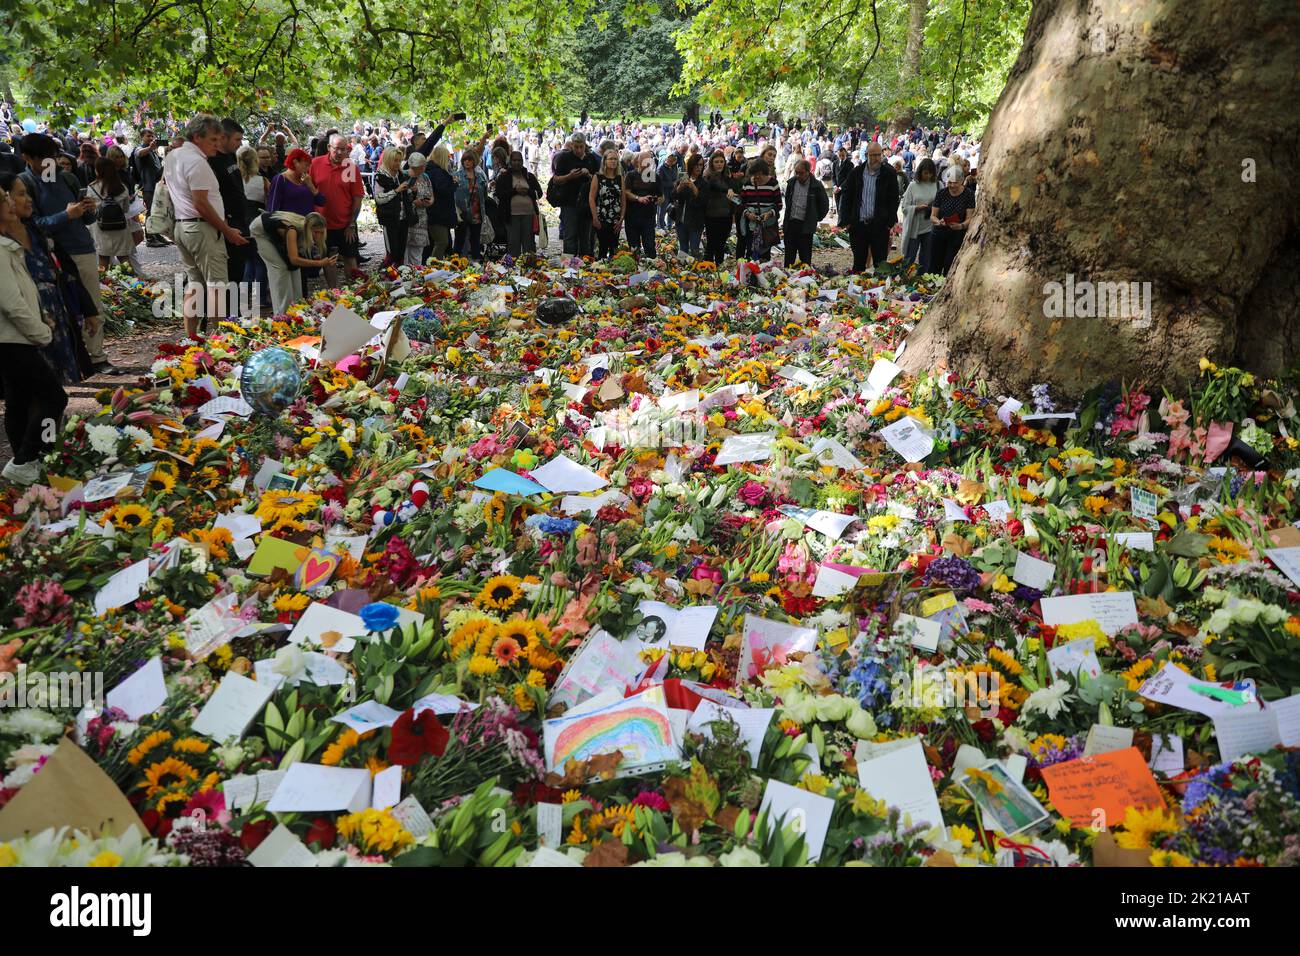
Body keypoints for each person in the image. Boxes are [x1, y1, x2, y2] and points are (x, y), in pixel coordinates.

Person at [17, 132, 116, 373]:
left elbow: (87, 219)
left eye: (53, 156)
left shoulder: (69, 179)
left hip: (81, 248)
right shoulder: (24, 183)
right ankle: (71, 358)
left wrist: (89, 209)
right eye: (43, 159)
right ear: (27, 158)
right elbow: (32, 224)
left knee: (92, 304)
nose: (49, 163)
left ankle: (97, 357)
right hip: (50, 256)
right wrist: (66, 215)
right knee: (59, 309)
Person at [0, 185, 67, 486]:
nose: (12, 203)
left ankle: (32, 462)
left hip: (17, 335)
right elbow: (11, 302)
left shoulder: (9, 244)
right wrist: (39, 331)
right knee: (54, 396)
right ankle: (26, 459)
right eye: (5, 199)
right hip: (13, 338)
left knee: (19, 398)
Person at [0, 172, 90, 386]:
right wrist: (38, 330)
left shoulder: (37, 232)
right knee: (37, 393)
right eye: (19, 194)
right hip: (25, 326)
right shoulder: (4, 245)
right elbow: (11, 303)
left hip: (55, 315)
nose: (28, 199)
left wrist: (89, 310)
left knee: (62, 387)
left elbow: (67, 272)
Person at [163, 114, 248, 339]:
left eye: (219, 139)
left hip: (184, 227)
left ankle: (191, 336)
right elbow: (200, 203)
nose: (217, 144)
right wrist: (227, 231)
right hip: (201, 229)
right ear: (198, 137)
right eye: (213, 139)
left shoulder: (174, 155)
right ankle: (221, 342)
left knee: (195, 284)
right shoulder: (197, 161)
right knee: (217, 286)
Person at [250, 210, 336, 315]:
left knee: (295, 269)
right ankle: (282, 313)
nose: (318, 236)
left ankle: (297, 308)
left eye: (321, 232)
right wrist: (319, 263)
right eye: (315, 232)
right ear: (308, 229)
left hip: (277, 230)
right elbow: (294, 259)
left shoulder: (302, 230)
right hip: (260, 231)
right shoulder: (292, 230)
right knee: (280, 267)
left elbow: (297, 263)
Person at [309, 134, 364, 285]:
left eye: (344, 149)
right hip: (322, 224)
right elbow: (309, 189)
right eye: (336, 149)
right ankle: (334, 292)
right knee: (328, 259)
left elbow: (357, 197)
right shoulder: (315, 164)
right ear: (329, 148)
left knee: (350, 257)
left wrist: (351, 224)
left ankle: (355, 291)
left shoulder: (350, 167)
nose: (340, 153)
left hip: (346, 223)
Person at [837, 140, 898, 273]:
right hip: (859, 225)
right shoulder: (857, 173)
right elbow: (846, 195)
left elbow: (894, 199)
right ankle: (857, 290)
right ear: (866, 155)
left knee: (880, 265)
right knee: (859, 263)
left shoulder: (888, 173)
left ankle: (878, 291)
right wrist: (846, 220)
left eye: (878, 155)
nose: (876, 158)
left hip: (880, 225)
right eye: (873, 155)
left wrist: (890, 221)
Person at [86, 157, 141, 273]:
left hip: (100, 227)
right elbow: (126, 210)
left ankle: (105, 288)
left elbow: (90, 210)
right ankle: (133, 286)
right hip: (119, 226)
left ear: (98, 170)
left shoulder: (92, 188)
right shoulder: (122, 187)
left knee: (103, 259)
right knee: (124, 259)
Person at [551, 132, 598, 256]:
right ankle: (569, 264)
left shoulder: (591, 159)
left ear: (585, 145)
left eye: (581, 147)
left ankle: (586, 262)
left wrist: (588, 174)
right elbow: (556, 179)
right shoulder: (564, 158)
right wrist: (569, 176)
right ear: (571, 145)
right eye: (575, 147)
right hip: (569, 202)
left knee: (586, 237)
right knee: (570, 236)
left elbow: (599, 180)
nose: (578, 150)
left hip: (586, 203)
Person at [238, 145, 271, 308]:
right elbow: (269, 202)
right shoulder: (262, 181)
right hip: (257, 222)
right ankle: (261, 298)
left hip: (241, 224)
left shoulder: (237, 180)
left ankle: (244, 299)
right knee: (260, 263)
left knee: (248, 262)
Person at [494, 150, 542, 258]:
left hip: (529, 214)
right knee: (513, 243)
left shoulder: (529, 176)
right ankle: (514, 267)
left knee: (528, 243)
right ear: (510, 161)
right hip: (511, 215)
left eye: (519, 160)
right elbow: (499, 194)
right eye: (514, 160)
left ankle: (529, 266)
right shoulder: (504, 177)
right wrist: (515, 191)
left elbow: (539, 193)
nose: (517, 163)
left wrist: (528, 192)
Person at [781, 159, 829, 268]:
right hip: (791, 224)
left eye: (801, 173)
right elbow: (788, 201)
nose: (798, 175)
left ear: (808, 171)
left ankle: (805, 279)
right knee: (789, 257)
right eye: (796, 172)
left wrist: (814, 218)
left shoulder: (816, 185)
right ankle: (786, 279)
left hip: (806, 226)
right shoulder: (792, 183)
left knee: (805, 258)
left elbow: (824, 205)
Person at [928, 164, 974, 275]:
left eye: (955, 183)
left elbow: (970, 218)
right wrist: (938, 222)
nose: (952, 185)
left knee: (950, 264)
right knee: (934, 264)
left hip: (957, 235)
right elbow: (933, 216)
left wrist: (961, 225)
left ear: (961, 181)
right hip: (939, 233)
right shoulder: (941, 193)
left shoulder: (968, 194)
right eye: (949, 182)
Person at [372, 146, 410, 267]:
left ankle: (400, 276)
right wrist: (396, 191)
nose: (397, 163)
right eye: (395, 160)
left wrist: (409, 190)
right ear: (388, 160)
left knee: (401, 252)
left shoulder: (400, 174)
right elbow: (378, 198)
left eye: (399, 160)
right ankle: (384, 275)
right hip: (389, 219)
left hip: (403, 218)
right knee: (392, 253)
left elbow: (404, 194)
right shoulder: (380, 176)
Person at [899, 157, 937, 272]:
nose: (928, 176)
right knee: (909, 256)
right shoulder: (913, 186)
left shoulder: (937, 185)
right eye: (925, 173)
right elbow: (904, 207)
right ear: (920, 172)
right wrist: (916, 208)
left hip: (929, 226)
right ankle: (905, 277)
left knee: (926, 257)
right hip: (914, 226)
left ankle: (923, 278)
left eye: (930, 173)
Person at [738, 159, 781, 261]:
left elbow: (778, 204)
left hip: (767, 225)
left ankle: (763, 273)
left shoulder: (773, 184)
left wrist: (770, 213)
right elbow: (742, 204)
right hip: (751, 225)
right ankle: (750, 273)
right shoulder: (747, 184)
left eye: (760, 174)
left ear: (765, 173)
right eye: (755, 174)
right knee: (750, 251)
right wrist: (748, 214)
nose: (757, 177)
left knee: (765, 254)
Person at [699, 151, 736, 264]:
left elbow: (734, 193)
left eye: (721, 161)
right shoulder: (707, 175)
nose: (719, 164)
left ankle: (719, 267)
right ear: (712, 163)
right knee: (711, 243)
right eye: (716, 162)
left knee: (721, 244)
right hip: (712, 215)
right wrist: (727, 189)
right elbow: (715, 186)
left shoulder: (727, 176)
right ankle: (708, 268)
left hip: (726, 214)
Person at [267, 148, 327, 216]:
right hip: (289, 225)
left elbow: (321, 202)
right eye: (306, 165)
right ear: (295, 162)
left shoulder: (305, 180)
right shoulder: (280, 179)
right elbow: (272, 208)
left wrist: (311, 186)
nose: (308, 169)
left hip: (307, 224)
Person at [589, 147, 625, 260]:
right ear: (604, 161)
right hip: (601, 217)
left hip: (616, 218)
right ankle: (601, 272)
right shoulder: (598, 177)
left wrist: (621, 218)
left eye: (615, 159)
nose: (613, 161)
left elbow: (623, 199)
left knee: (614, 248)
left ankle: (613, 275)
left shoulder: (620, 178)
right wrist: (595, 217)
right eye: (610, 159)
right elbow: (591, 198)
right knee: (602, 248)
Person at [132, 128, 166, 246]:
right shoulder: (140, 149)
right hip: (148, 186)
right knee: (151, 212)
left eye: (152, 136)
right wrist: (150, 148)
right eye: (148, 136)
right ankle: (150, 238)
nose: (151, 138)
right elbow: (139, 153)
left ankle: (156, 234)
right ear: (142, 137)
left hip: (157, 185)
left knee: (157, 212)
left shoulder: (153, 151)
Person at [453, 150, 489, 259]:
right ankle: (455, 262)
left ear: (474, 161)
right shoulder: (456, 176)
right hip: (462, 213)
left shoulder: (480, 176)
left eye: (469, 160)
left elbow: (485, 194)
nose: (467, 162)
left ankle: (476, 262)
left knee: (475, 240)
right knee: (459, 239)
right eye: (465, 160)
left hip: (476, 212)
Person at [425, 144, 458, 259]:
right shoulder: (438, 172)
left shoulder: (431, 170)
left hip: (435, 212)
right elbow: (444, 190)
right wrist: (454, 184)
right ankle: (432, 267)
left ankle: (435, 266)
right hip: (438, 213)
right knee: (442, 242)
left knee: (441, 242)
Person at [623, 151, 658, 259]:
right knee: (634, 247)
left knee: (649, 246)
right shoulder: (631, 175)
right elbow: (626, 192)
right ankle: (635, 270)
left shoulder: (652, 175)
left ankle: (651, 268)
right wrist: (639, 198)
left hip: (648, 216)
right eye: (645, 160)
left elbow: (660, 195)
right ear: (638, 162)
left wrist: (656, 199)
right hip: (632, 216)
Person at [672, 154, 706, 257]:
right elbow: (672, 197)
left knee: (694, 250)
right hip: (681, 221)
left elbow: (703, 202)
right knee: (683, 249)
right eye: (696, 165)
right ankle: (681, 271)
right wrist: (679, 187)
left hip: (695, 222)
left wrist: (693, 187)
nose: (698, 167)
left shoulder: (704, 183)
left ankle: (695, 271)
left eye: (701, 165)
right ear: (691, 165)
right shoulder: (683, 179)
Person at [403, 150, 433, 265]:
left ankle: (416, 274)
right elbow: (401, 198)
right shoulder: (404, 176)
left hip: (421, 219)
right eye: (420, 167)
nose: (423, 169)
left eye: (423, 166)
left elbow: (431, 195)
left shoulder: (425, 177)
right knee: (405, 250)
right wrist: (414, 203)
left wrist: (429, 202)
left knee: (417, 252)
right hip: (408, 218)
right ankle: (405, 275)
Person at [655, 150, 679, 232]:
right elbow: (658, 182)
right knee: (662, 211)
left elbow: (675, 178)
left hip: (672, 193)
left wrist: (676, 182)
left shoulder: (674, 167)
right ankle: (660, 226)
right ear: (667, 159)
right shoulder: (661, 168)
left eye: (673, 161)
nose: (672, 162)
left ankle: (669, 226)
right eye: (670, 160)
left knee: (671, 209)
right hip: (663, 192)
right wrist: (672, 184)